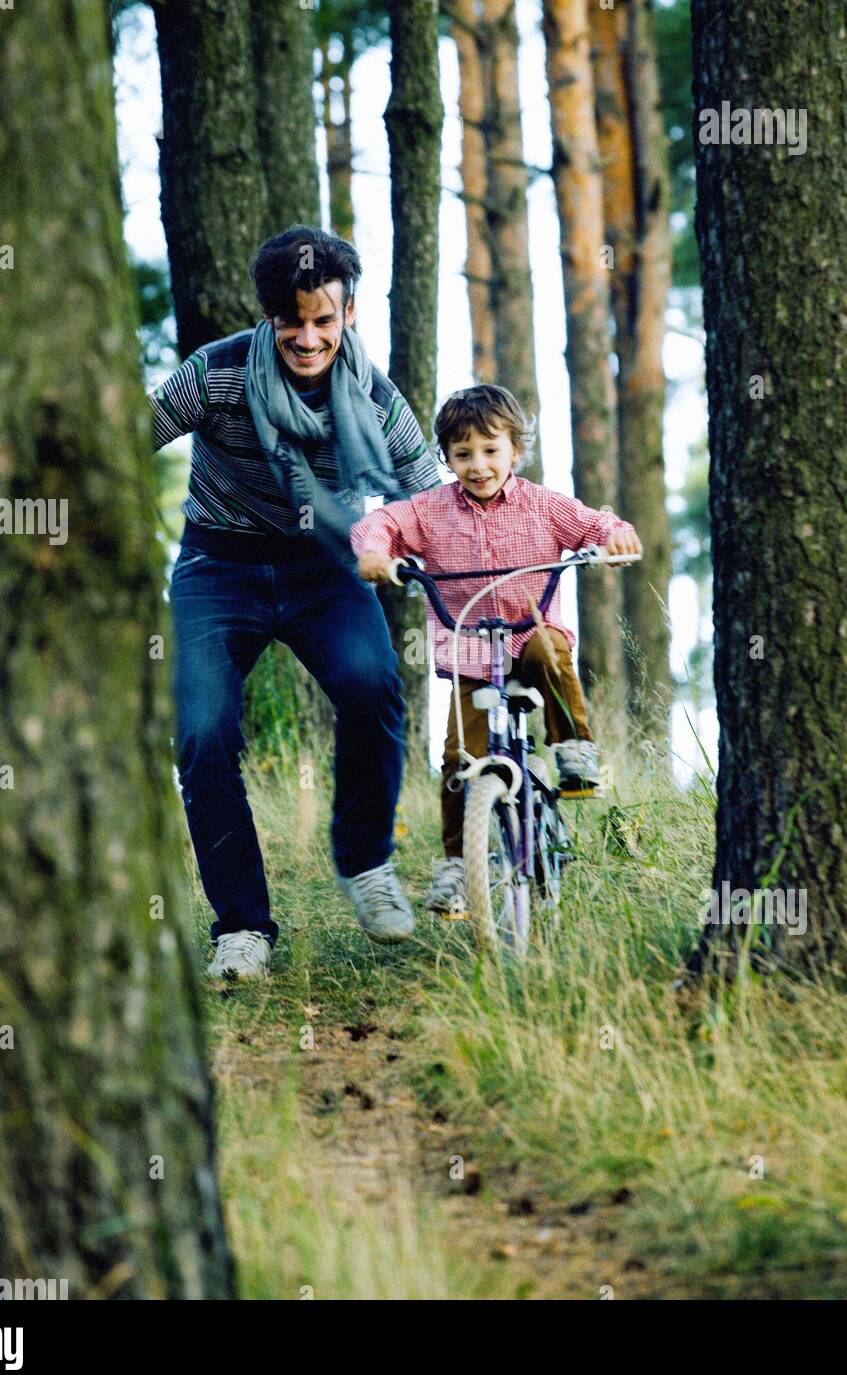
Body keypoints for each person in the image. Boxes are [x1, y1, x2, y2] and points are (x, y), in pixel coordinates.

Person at [151, 226, 440, 982]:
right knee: (203, 732)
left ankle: (368, 866)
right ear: (267, 314)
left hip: (327, 573)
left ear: (350, 313)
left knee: (373, 685)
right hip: (219, 566)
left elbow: (433, 498)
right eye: (291, 321)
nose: (308, 338)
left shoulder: (375, 396)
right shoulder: (213, 376)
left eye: (324, 320)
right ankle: (242, 926)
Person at [351, 384, 641, 914]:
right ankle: (458, 868)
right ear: (447, 458)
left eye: (490, 450)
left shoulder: (543, 505)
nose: (478, 465)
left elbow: (598, 524)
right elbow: (382, 522)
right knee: (459, 760)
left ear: (515, 451)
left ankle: (573, 749)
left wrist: (617, 536)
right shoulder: (432, 511)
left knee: (550, 650)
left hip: (530, 636)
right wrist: (373, 552)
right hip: (469, 650)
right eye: (463, 454)